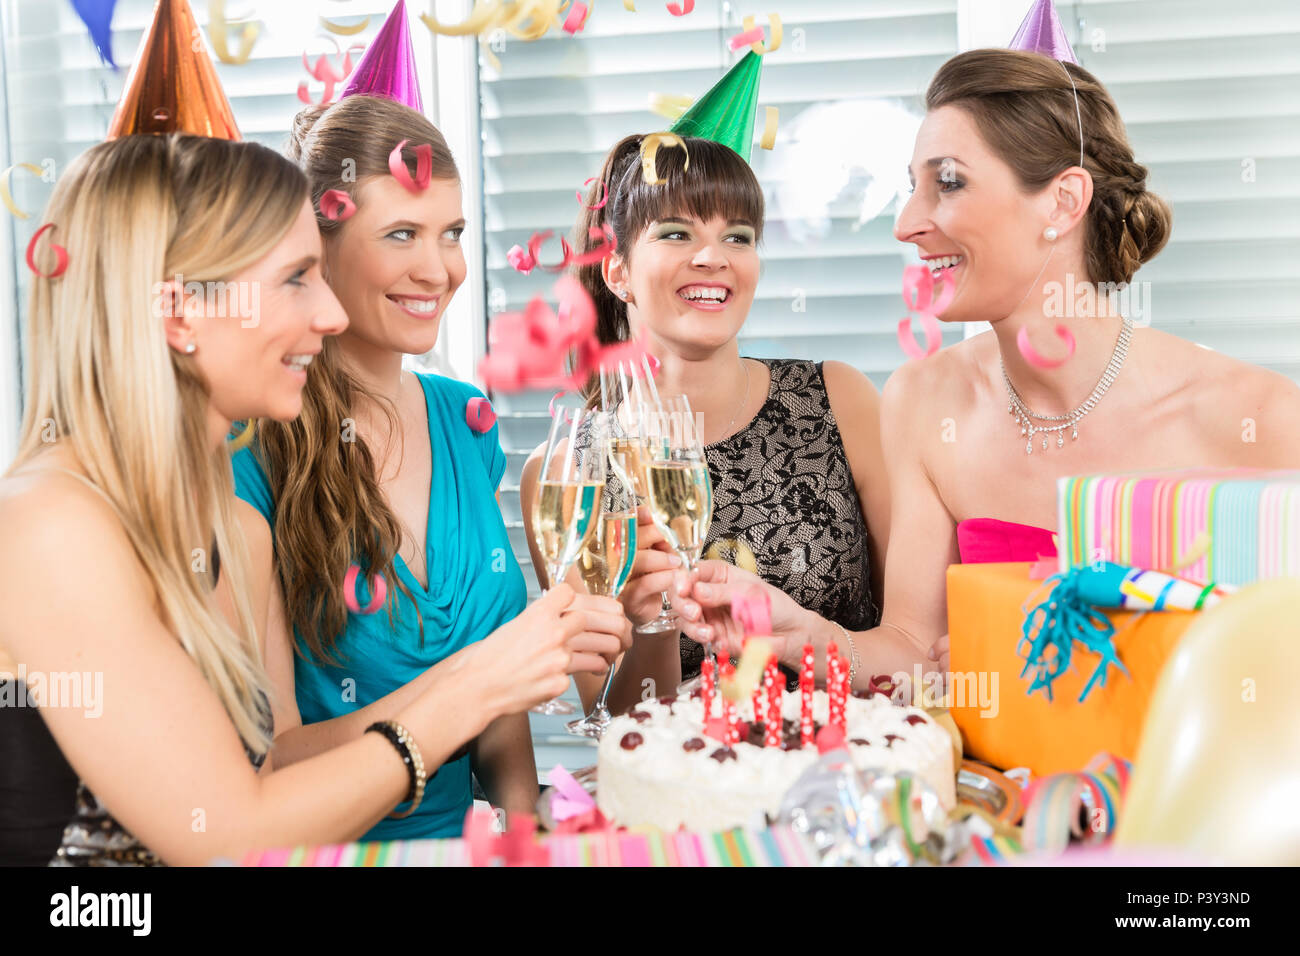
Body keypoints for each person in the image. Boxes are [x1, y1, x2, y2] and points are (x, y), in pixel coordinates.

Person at [0, 134, 582, 866]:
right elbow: (230, 834)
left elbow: (276, 776)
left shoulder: (234, 532)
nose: (331, 317)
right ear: (179, 314)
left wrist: (494, 682)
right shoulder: (48, 525)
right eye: (297, 279)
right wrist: (471, 690)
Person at [670, 49, 1300, 690]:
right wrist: (805, 634)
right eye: (912, 186)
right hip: (985, 790)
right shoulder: (925, 399)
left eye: (947, 183)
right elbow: (913, 647)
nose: (907, 224)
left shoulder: (1262, 422)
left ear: (1061, 202)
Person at [231, 93, 631, 841]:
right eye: (401, 234)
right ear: (319, 248)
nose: (437, 269)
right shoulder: (254, 455)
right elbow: (275, 759)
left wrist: (523, 824)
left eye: (450, 234)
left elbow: (501, 711)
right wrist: (482, 680)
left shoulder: (465, 421)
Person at [520, 134, 890, 715]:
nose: (713, 256)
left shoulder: (840, 401)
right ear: (617, 269)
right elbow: (614, 721)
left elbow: (914, 652)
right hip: (678, 796)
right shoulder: (567, 475)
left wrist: (801, 635)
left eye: (736, 236)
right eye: (676, 233)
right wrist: (654, 625)